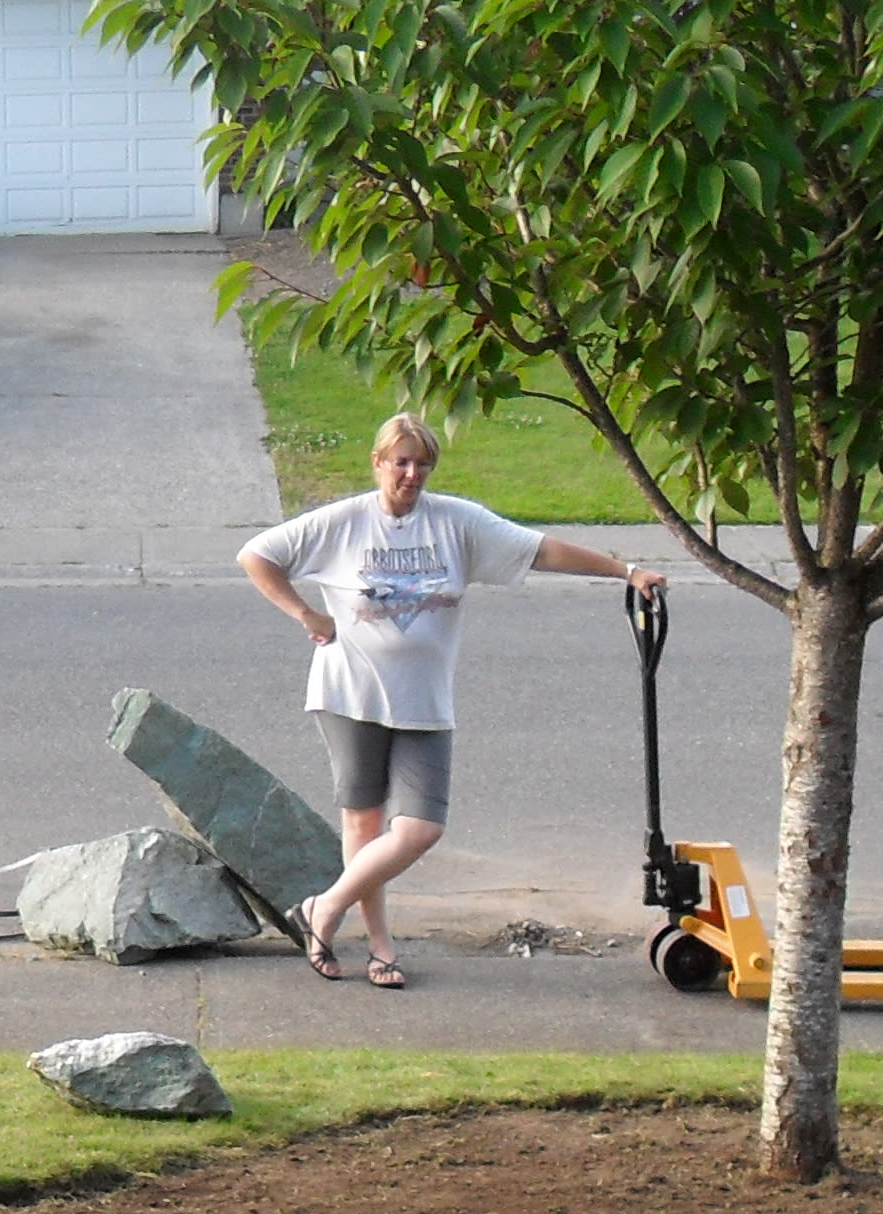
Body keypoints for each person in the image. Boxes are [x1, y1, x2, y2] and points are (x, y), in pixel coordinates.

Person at [239, 413, 665, 988]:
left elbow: (541, 550)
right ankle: (381, 945)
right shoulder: (343, 524)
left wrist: (627, 571)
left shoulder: (457, 524)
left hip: (423, 702)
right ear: (379, 463)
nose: (412, 474)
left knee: (419, 827)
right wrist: (306, 614)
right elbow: (257, 555)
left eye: (422, 464)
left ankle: (323, 909)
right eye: (401, 462)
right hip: (349, 691)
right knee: (364, 825)